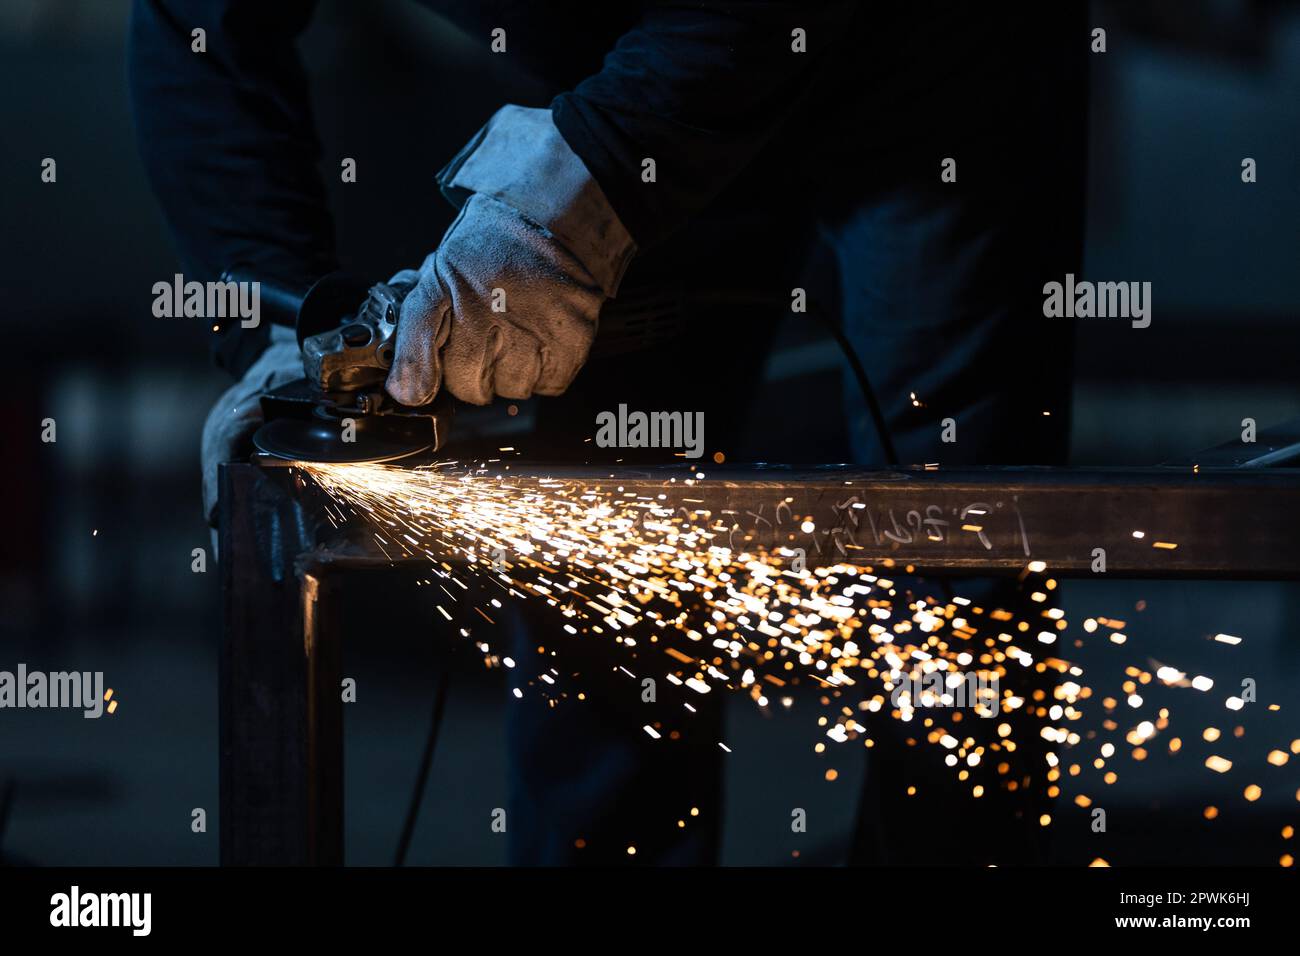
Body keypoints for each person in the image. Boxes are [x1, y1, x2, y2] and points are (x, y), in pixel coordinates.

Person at [131, 0, 1087, 865]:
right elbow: (201, 31)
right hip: (630, 61)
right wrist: (277, 325)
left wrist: (587, 172)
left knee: (960, 538)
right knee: (598, 581)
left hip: (934, 71)